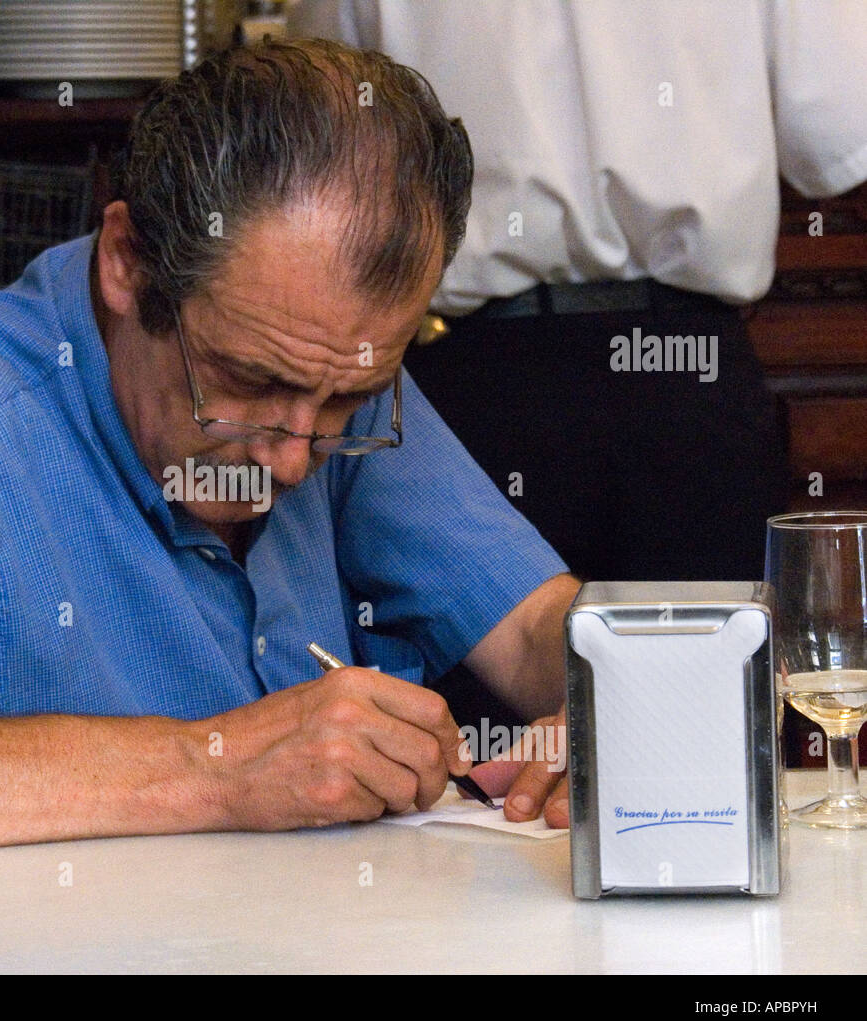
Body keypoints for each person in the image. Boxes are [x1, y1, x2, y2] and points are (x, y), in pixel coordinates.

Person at [0, 39, 575, 860]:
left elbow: (535, 626)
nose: (294, 462)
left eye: (351, 399)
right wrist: (213, 766)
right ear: (127, 263)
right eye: (243, 385)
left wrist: (620, 707)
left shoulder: (319, 372)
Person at [290, 0, 867, 727]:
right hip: (683, 372)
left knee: (479, 775)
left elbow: (320, 123)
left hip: (473, 371)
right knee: (705, 733)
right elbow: (839, 133)